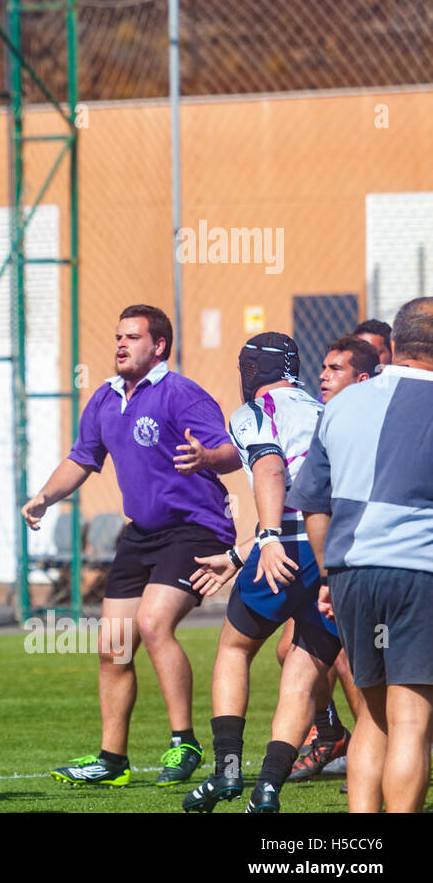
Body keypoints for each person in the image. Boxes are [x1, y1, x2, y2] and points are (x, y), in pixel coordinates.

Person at [25, 304, 240, 787]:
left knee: (152, 623)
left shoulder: (182, 394)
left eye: (132, 337)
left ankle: (183, 741)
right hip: (141, 533)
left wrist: (206, 455)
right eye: (118, 336)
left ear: (158, 346)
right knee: (113, 646)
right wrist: (43, 497)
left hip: (195, 528)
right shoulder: (104, 398)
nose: (120, 344)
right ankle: (112, 760)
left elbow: (231, 452)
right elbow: (82, 459)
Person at [182, 333, 340, 812]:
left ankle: (227, 771)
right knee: (306, 663)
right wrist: (237, 554)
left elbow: (269, 467)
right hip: (335, 551)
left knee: (234, 647)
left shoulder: (254, 411)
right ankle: (269, 785)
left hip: (287, 545)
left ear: (250, 369)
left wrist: (266, 539)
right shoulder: (324, 410)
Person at [289, 297, 433, 813]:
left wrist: (329, 576)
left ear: (394, 345)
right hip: (419, 573)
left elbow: (312, 504)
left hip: (352, 574)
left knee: (373, 715)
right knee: (412, 719)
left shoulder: (343, 403)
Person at [281, 334, 378, 783]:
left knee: (360, 662)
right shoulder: (328, 420)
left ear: (363, 377)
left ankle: (371, 749)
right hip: (336, 564)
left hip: (367, 563)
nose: (322, 375)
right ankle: (340, 737)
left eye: (334, 369)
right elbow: (310, 502)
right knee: (294, 650)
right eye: (322, 367)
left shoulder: (371, 418)